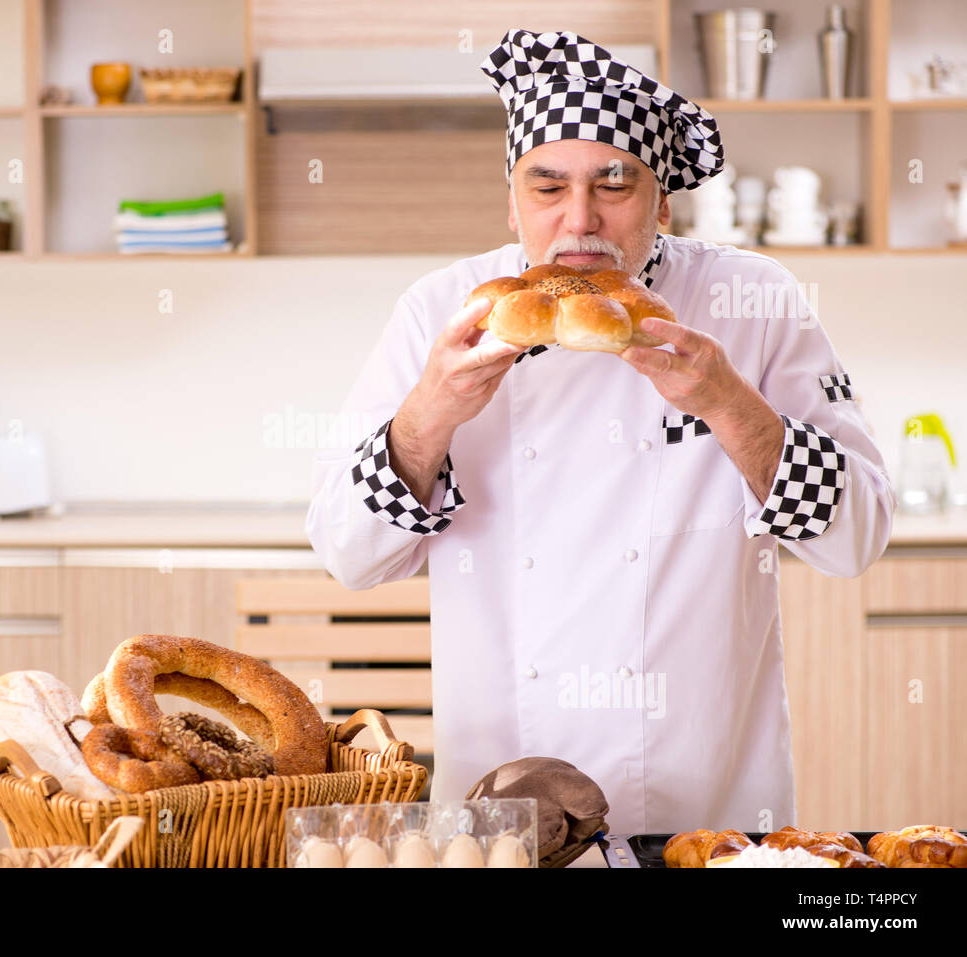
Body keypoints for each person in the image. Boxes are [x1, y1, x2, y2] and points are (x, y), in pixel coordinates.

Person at [304, 29, 895, 833]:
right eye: (547, 187)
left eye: (613, 185)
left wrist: (728, 403)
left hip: (709, 801)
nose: (579, 221)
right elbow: (347, 551)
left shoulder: (753, 300)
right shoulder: (444, 312)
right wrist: (430, 414)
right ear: (511, 199)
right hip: (501, 806)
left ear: (664, 199)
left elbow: (856, 533)